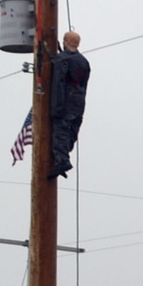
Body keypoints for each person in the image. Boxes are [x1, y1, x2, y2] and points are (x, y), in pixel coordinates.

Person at [49, 29, 90, 178]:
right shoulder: (84, 62)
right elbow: (85, 85)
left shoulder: (62, 59)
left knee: (61, 129)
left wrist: (56, 108)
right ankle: (63, 157)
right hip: (79, 101)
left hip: (66, 99)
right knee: (72, 130)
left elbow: (58, 83)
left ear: (66, 42)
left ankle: (61, 161)